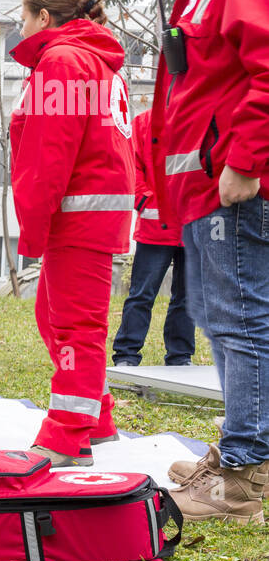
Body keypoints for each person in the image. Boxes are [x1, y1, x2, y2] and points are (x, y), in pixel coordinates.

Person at [151, 0, 269, 523]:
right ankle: (235, 454)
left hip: (232, 182)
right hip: (208, 182)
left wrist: (245, 163)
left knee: (243, 322)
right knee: (225, 323)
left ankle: (242, 481)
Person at [9, 0, 133, 467]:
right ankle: (96, 417)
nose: (21, 31)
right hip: (91, 210)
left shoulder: (62, 60)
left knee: (75, 327)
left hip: (77, 212)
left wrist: (33, 227)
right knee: (53, 317)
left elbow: (48, 151)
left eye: (23, 19)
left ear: (43, 17)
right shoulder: (95, 61)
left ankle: (68, 433)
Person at [111, 107, 195, 368]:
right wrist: (145, 200)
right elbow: (130, 164)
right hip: (155, 227)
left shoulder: (202, 118)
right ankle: (126, 354)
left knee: (188, 297)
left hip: (193, 226)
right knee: (141, 295)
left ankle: (180, 357)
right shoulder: (144, 123)